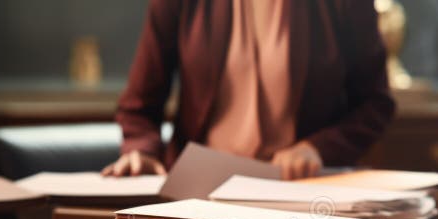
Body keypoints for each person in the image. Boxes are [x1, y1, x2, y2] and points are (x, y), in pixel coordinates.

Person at [102, 0, 394, 180]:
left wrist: (319, 148)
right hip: (198, 193)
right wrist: (142, 150)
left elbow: (376, 103)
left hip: (301, 191)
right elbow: (139, 105)